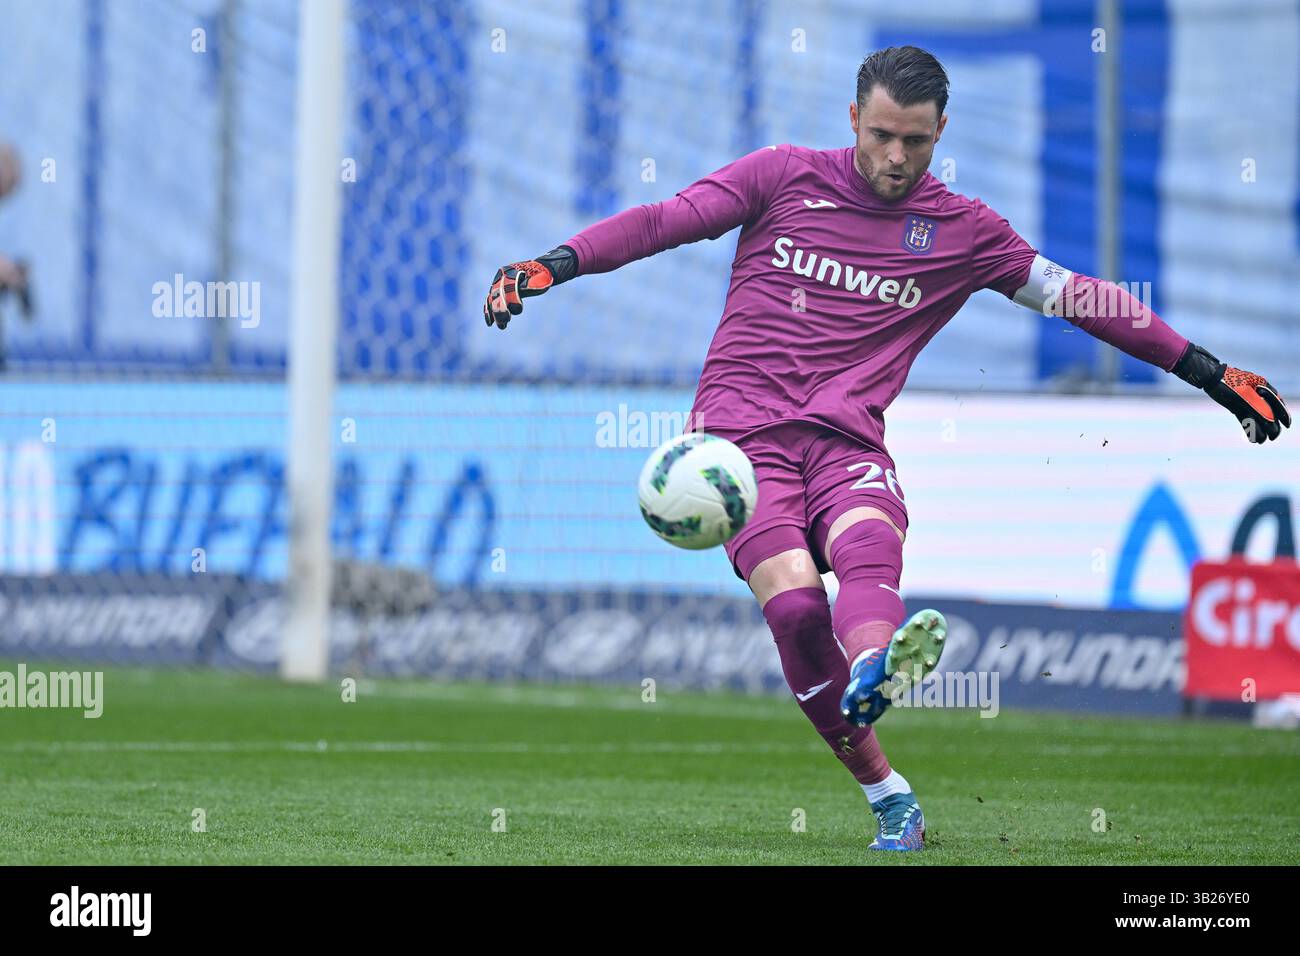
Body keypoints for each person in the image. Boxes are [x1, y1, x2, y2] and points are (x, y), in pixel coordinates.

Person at [482, 46, 1290, 851]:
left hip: (846, 443)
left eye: (915, 140)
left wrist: (1208, 372)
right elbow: (663, 222)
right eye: (880, 135)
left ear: (942, 130)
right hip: (738, 443)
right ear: (852, 120)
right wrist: (553, 265)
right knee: (798, 608)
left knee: (868, 541)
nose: (895, 157)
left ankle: (874, 667)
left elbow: (1079, 297)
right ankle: (889, 793)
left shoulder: (966, 231)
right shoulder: (781, 175)